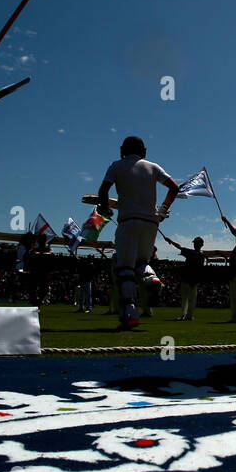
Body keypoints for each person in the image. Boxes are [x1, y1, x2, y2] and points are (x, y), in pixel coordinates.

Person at [98, 136, 179, 329]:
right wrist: (163, 209)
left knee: (124, 266)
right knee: (143, 263)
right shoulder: (153, 167)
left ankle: (130, 311)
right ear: (144, 151)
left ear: (122, 150)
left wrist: (104, 208)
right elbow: (174, 187)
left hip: (128, 220)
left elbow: (103, 190)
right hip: (151, 222)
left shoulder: (116, 166)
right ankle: (153, 279)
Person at [165, 235, 206, 320]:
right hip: (193, 280)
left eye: (196, 243)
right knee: (190, 299)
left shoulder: (192, 252)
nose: (195, 244)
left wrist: (170, 241)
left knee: (185, 299)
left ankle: (186, 315)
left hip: (188, 279)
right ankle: (188, 315)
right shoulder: (202, 255)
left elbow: (179, 247)